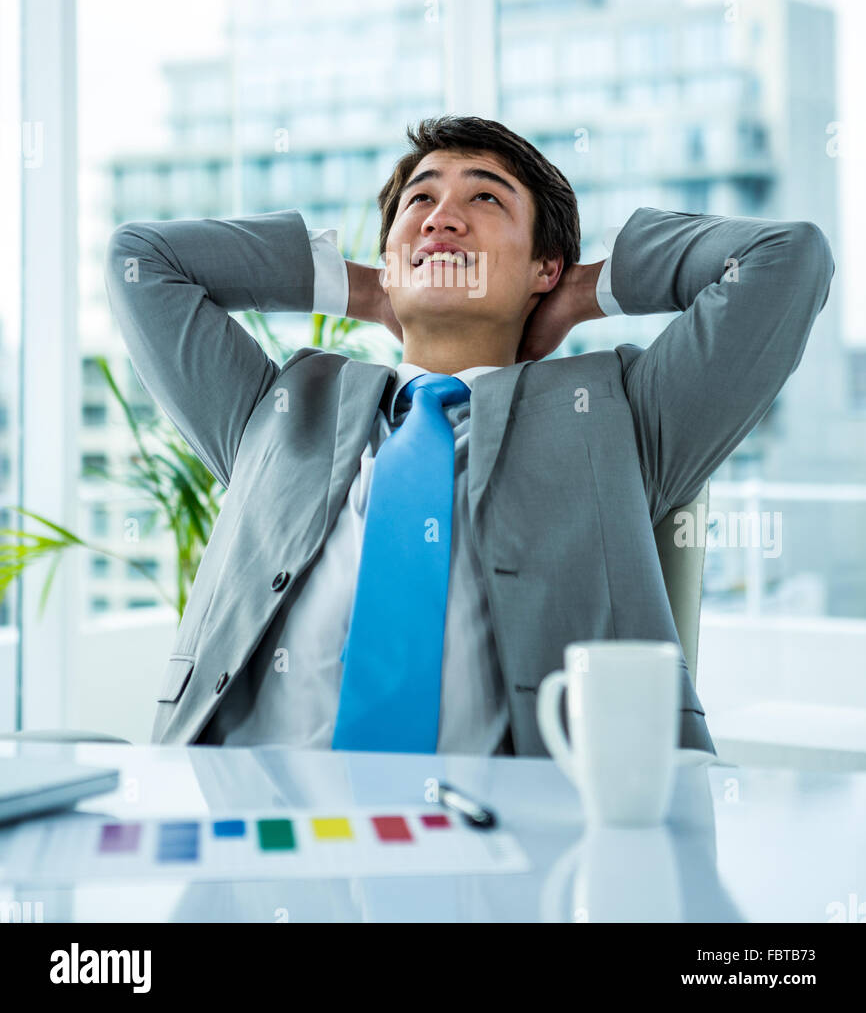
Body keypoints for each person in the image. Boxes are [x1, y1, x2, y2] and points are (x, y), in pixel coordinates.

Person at [104, 115, 835, 755]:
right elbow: (142, 262)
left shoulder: (619, 410)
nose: (440, 217)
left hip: (519, 848)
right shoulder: (279, 403)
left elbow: (786, 258)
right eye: (420, 200)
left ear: (544, 266)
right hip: (250, 828)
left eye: (485, 197)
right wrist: (368, 287)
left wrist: (582, 291)